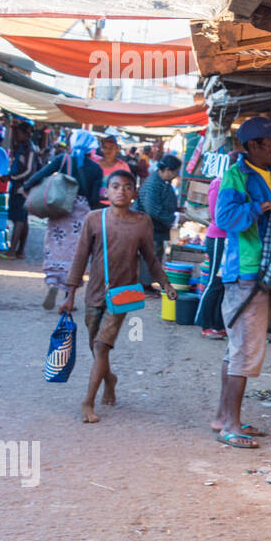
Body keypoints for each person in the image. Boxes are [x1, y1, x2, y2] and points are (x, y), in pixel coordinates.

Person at [59, 171, 176, 423]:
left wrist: (165, 284)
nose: (121, 191)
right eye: (115, 186)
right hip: (94, 293)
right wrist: (70, 295)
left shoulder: (142, 222)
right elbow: (80, 257)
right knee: (96, 347)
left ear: (134, 193)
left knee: (102, 346)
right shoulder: (93, 219)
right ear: (106, 192)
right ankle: (109, 379)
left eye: (127, 187)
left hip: (123, 294)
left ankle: (88, 402)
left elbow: (151, 258)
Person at [212, 118, 271, 448]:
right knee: (244, 352)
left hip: (263, 270)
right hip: (245, 271)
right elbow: (225, 218)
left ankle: (223, 417)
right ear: (253, 145)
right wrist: (263, 206)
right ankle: (230, 426)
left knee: (237, 349)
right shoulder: (236, 175)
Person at [23, 130, 104, 310]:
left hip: (60, 209)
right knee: (77, 253)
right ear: (91, 147)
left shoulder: (63, 160)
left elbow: (41, 174)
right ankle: (69, 296)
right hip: (81, 216)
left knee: (56, 247)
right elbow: (94, 199)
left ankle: (53, 284)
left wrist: (26, 186)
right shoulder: (96, 169)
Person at [194, 158, 236, 340]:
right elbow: (216, 216)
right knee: (214, 281)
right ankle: (204, 323)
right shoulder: (218, 183)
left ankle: (218, 325)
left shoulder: (235, 184)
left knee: (223, 283)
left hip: (230, 239)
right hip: (219, 237)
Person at [135, 154, 181, 285]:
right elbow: (152, 209)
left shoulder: (162, 181)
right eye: (175, 172)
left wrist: (177, 209)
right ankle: (146, 286)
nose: (176, 175)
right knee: (150, 258)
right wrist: (175, 219)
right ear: (167, 170)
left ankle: (148, 284)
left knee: (153, 257)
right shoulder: (153, 183)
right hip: (150, 229)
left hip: (156, 229)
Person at [2, 121, 40, 260]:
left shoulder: (29, 149)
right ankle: (20, 251)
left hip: (22, 188)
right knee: (23, 219)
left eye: (18, 133)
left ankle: (12, 250)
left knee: (19, 218)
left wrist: (11, 177)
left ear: (26, 134)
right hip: (20, 186)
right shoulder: (24, 147)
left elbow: (29, 171)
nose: (16, 135)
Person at [91, 134, 128, 206]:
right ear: (101, 148)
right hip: (95, 203)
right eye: (105, 147)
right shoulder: (95, 163)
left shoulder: (122, 166)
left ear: (117, 149)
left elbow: (127, 185)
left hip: (114, 204)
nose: (108, 150)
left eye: (111, 147)